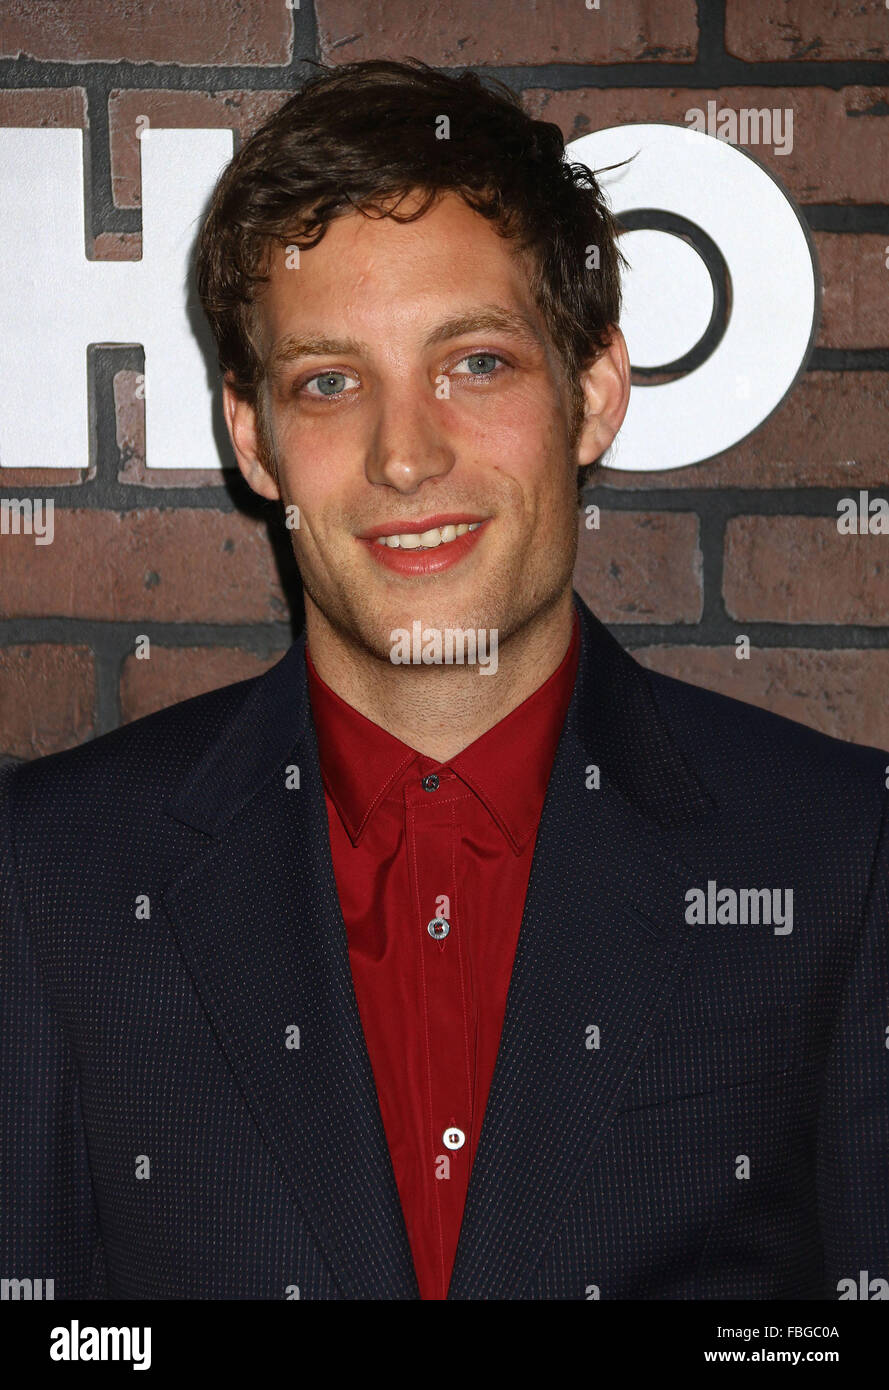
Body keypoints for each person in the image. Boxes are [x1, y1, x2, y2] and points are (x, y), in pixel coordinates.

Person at [2, 58, 886, 1301]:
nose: (405, 455)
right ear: (253, 438)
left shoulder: (840, 853)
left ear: (592, 394)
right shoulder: (52, 878)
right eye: (329, 381)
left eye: (473, 363)